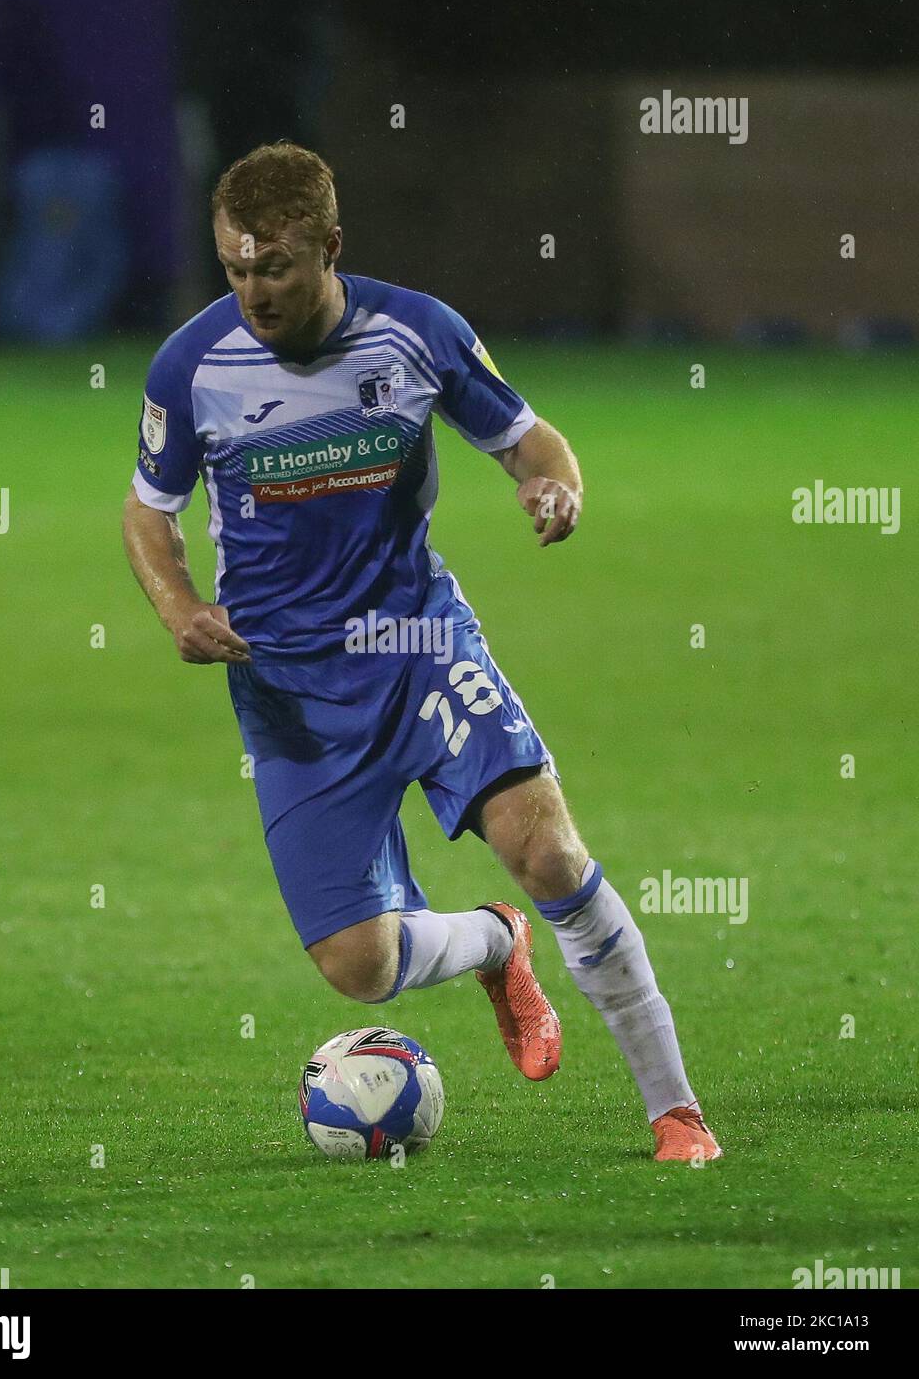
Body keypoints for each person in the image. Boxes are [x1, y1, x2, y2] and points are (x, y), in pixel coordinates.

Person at [122, 141, 720, 1163]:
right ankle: (494, 941)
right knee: (356, 963)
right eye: (234, 267)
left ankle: (674, 1110)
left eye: (275, 267)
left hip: (418, 644)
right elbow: (148, 513)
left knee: (547, 849)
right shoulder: (191, 367)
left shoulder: (414, 331)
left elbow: (530, 440)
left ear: (330, 248)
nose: (253, 291)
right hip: (289, 689)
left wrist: (550, 486)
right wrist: (177, 604)